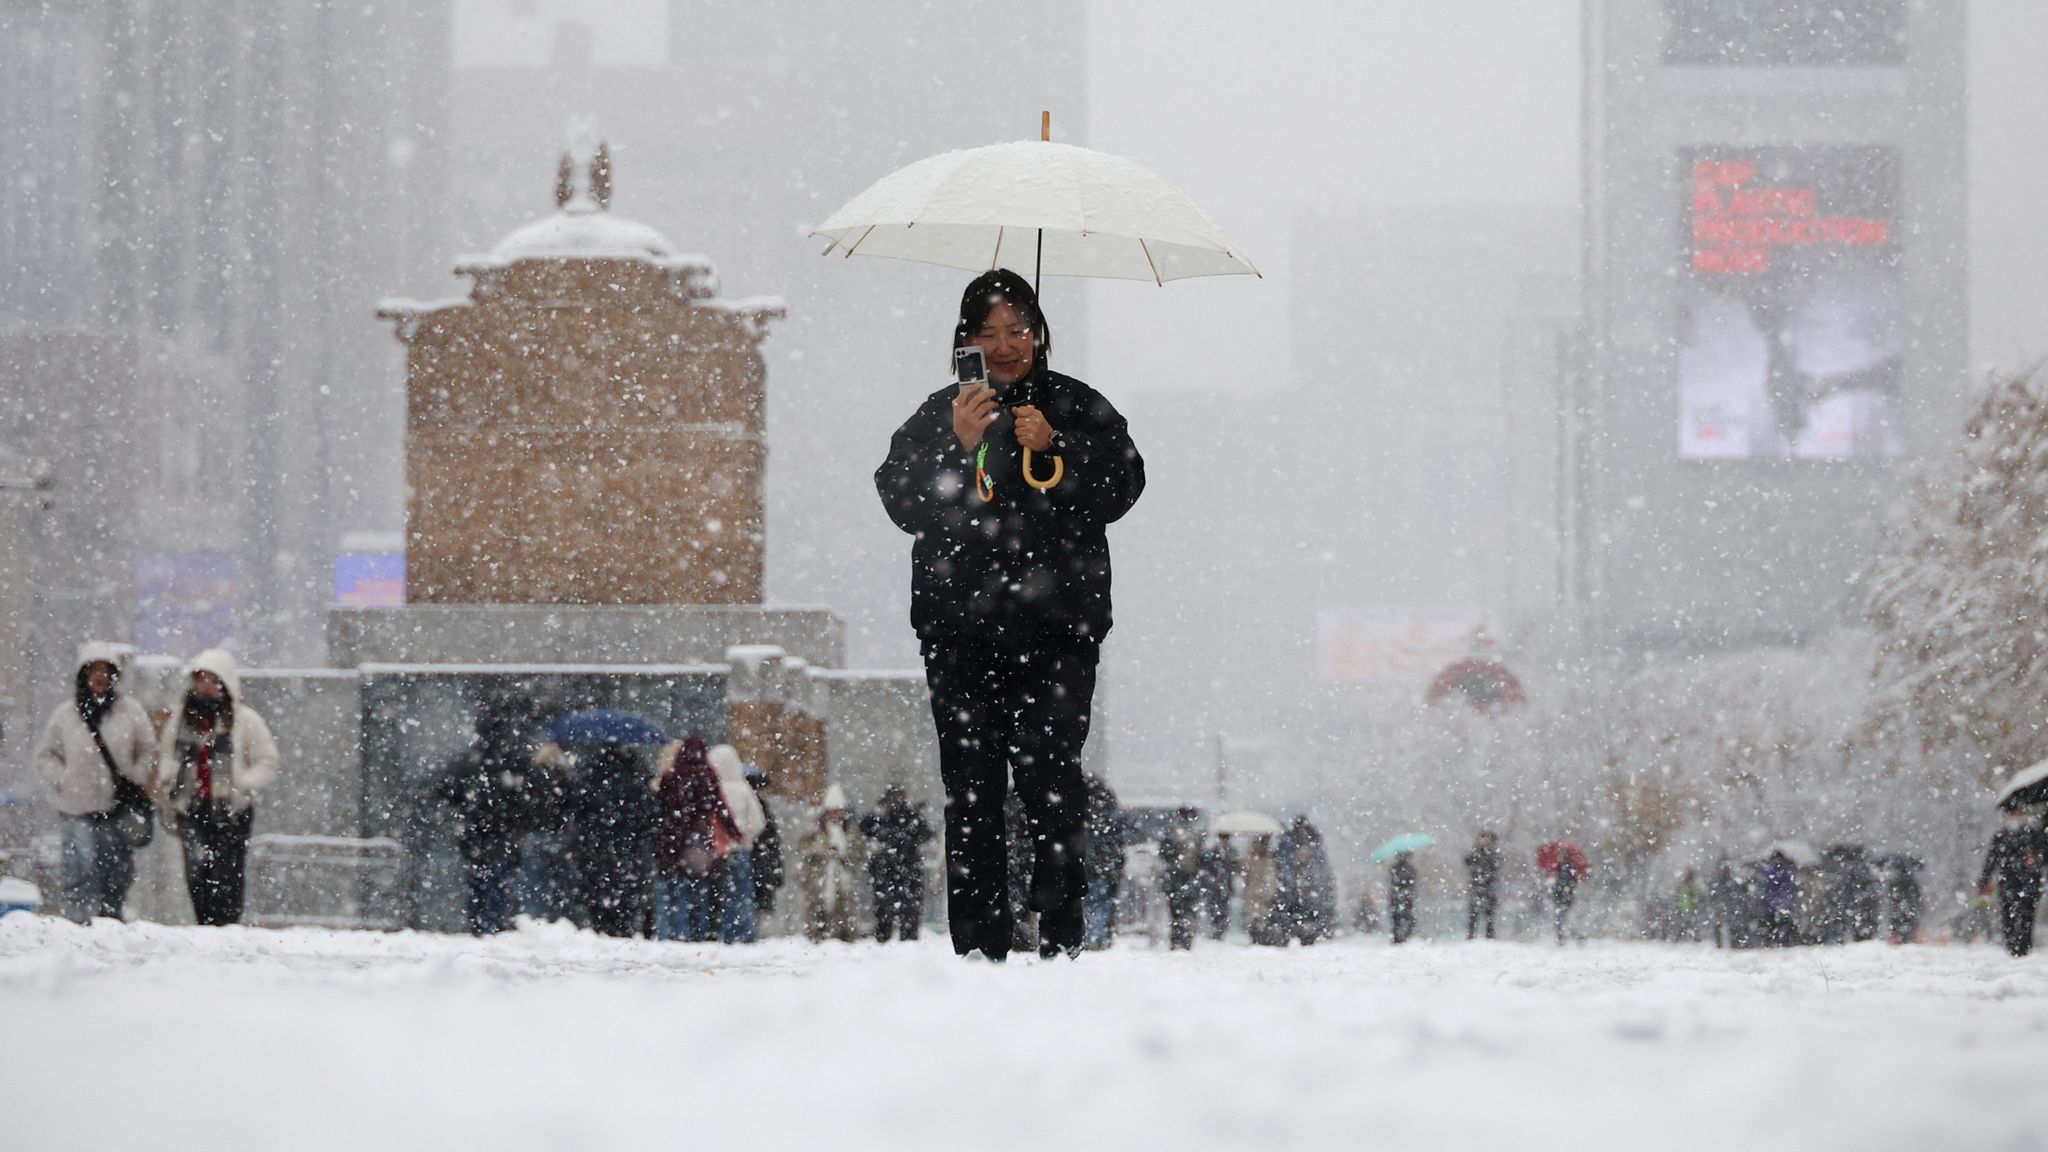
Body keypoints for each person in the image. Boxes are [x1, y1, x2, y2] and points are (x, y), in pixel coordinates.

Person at [874, 269, 1146, 961]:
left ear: (1041, 334)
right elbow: (902, 502)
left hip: (1058, 632)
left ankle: (1059, 931)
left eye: (1018, 330)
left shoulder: (1076, 407)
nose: (1005, 345)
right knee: (972, 789)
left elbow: (1122, 487)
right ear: (964, 341)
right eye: (987, 333)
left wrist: (1055, 447)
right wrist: (957, 449)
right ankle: (980, 941)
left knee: (1052, 779)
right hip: (959, 632)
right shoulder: (943, 413)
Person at [34, 642, 158, 922]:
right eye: (93, 670)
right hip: (75, 806)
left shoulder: (130, 711)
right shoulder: (66, 714)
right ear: (83, 675)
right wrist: (62, 780)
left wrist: (136, 776)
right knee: (78, 866)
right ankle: (75, 921)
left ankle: (108, 919)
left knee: (116, 869)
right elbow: (46, 755)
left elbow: (148, 748)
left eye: (106, 671)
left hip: (115, 805)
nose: (100, 677)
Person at [157, 649, 280, 926]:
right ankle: (205, 925)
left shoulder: (244, 720)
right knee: (196, 873)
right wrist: (169, 778)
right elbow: (166, 752)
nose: (206, 686)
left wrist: (241, 784)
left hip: (230, 809)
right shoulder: (182, 719)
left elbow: (267, 761)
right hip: (191, 806)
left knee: (228, 873)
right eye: (201, 678)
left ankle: (226, 927)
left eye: (213, 679)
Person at [434, 700, 546, 935]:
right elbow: (528, 798)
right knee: (496, 884)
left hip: (475, 834)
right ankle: (491, 925)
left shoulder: (471, 762)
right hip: (501, 836)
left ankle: (481, 925)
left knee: (479, 884)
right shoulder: (513, 761)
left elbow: (447, 789)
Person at [652, 737, 738, 942]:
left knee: (676, 888)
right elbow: (720, 807)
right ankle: (698, 930)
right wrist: (735, 833)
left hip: (673, 840)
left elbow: (659, 809)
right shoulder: (707, 776)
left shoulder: (671, 777)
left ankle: (675, 932)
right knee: (700, 890)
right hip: (699, 841)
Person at [570, 740, 658, 938]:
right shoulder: (636, 778)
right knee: (626, 895)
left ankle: (602, 927)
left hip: (596, 845)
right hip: (628, 847)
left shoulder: (591, 775)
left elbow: (578, 809)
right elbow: (649, 816)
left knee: (598, 892)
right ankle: (622, 928)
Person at [707, 744, 768, 943]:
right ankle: (743, 933)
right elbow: (759, 821)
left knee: (718, 895)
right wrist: (745, 835)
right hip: (740, 849)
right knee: (741, 894)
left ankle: (722, 932)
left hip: (716, 850)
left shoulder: (712, 790)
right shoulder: (743, 788)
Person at [859, 783, 934, 943]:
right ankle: (886, 939)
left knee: (908, 910)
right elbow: (865, 827)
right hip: (888, 868)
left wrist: (913, 814)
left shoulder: (909, 816)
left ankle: (905, 941)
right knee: (885, 909)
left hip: (907, 868)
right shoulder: (882, 816)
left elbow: (925, 834)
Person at [799, 785, 865, 943]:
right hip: (821, 872)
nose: (835, 814)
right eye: (832, 811)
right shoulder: (815, 828)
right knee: (818, 903)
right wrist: (820, 850)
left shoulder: (850, 829)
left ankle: (845, 935)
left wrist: (844, 854)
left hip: (843, 871)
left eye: (838, 810)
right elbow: (803, 849)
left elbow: (859, 852)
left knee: (845, 902)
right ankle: (818, 934)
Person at [1979, 811, 2048, 957]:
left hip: (2030, 883)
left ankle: (2024, 947)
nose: (2013, 819)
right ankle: (2011, 946)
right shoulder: (2000, 837)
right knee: (2008, 913)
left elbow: (2043, 856)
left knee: (2026, 915)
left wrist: (2036, 859)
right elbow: (1991, 860)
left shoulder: (2034, 836)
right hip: (2008, 882)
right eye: (2010, 815)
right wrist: (1984, 880)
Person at [1273, 816, 1336, 945]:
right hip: (1301, 890)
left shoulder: (1291, 843)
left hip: (1300, 890)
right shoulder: (1309, 842)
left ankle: (1299, 933)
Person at [1082, 774, 1125, 949]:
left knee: (1083, 902)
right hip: (1104, 867)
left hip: (1082, 865)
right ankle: (1095, 935)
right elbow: (1117, 842)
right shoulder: (1110, 817)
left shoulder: (1078, 815)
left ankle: (1084, 935)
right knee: (1100, 903)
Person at [1158, 817, 1205, 951]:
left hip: (1177, 879)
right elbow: (1201, 858)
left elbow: (1164, 854)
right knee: (1187, 911)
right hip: (1188, 879)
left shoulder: (1173, 834)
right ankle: (1184, 937)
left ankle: (1178, 937)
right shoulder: (1195, 836)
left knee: (1177, 912)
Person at [745, 763, 784, 919]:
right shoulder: (762, 807)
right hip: (761, 861)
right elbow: (772, 839)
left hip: (756, 861)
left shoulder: (760, 807)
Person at [1241, 835, 1281, 945]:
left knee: (1262, 919)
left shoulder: (1268, 862)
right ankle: (1254, 938)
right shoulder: (1249, 860)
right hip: (1251, 894)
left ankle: (1261, 939)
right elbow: (1244, 875)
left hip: (1262, 895)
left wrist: (1270, 893)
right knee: (1250, 918)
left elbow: (1271, 879)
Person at [1756, 850, 1800, 948]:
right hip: (1785, 906)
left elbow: (1765, 887)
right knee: (1786, 927)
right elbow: (1791, 888)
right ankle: (1787, 943)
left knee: (1770, 927)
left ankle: (1769, 943)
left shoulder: (1769, 871)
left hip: (1770, 906)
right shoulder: (1787, 871)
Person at [1464, 830, 1501, 941]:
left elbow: (1496, 865)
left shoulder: (1493, 855)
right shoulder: (1475, 854)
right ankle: (1472, 935)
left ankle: (1489, 935)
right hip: (1477, 886)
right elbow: (1467, 861)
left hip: (1489, 887)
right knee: (1474, 913)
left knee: (1489, 913)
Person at [1884, 856, 1923, 945]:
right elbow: (1917, 898)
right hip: (1909, 911)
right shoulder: (1912, 882)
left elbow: (1891, 899)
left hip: (1897, 912)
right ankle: (1907, 940)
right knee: (1909, 924)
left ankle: (1898, 940)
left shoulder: (1894, 883)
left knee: (1898, 924)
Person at [1550, 848, 1583, 945]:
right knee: (1563, 919)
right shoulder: (1567, 870)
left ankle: (1566, 937)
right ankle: (1571, 936)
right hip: (1565, 898)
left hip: (1563, 899)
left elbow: (1563, 885)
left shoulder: (1564, 870)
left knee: (1561, 919)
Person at [1388, 851, 1418, 944]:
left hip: (1398, 895)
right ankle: (1404, 936)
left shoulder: (1394, 867)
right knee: (1406, 917)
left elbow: (1394, 881)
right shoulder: (1409, 868)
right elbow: (1410, 881)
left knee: (1397, 917)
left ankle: (1398, 936)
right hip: (1406, 896)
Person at [1674, 868, 1706, 944]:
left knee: (1689, 924)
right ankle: (1681, 937)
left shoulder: (1690, 885)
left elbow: (1696, 894)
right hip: (1684, 907)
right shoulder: (1684, 885)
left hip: (1689, 907)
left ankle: (1694, 937)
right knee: (1686, 924)